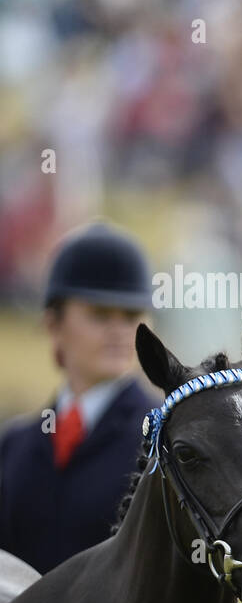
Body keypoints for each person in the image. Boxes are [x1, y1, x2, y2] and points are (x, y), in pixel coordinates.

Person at [0, 221, 158, 574]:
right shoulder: (14, 448)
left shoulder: (164, 440)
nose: (119, 331)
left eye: (132, 315)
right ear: (53, 323)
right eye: (99, 314)